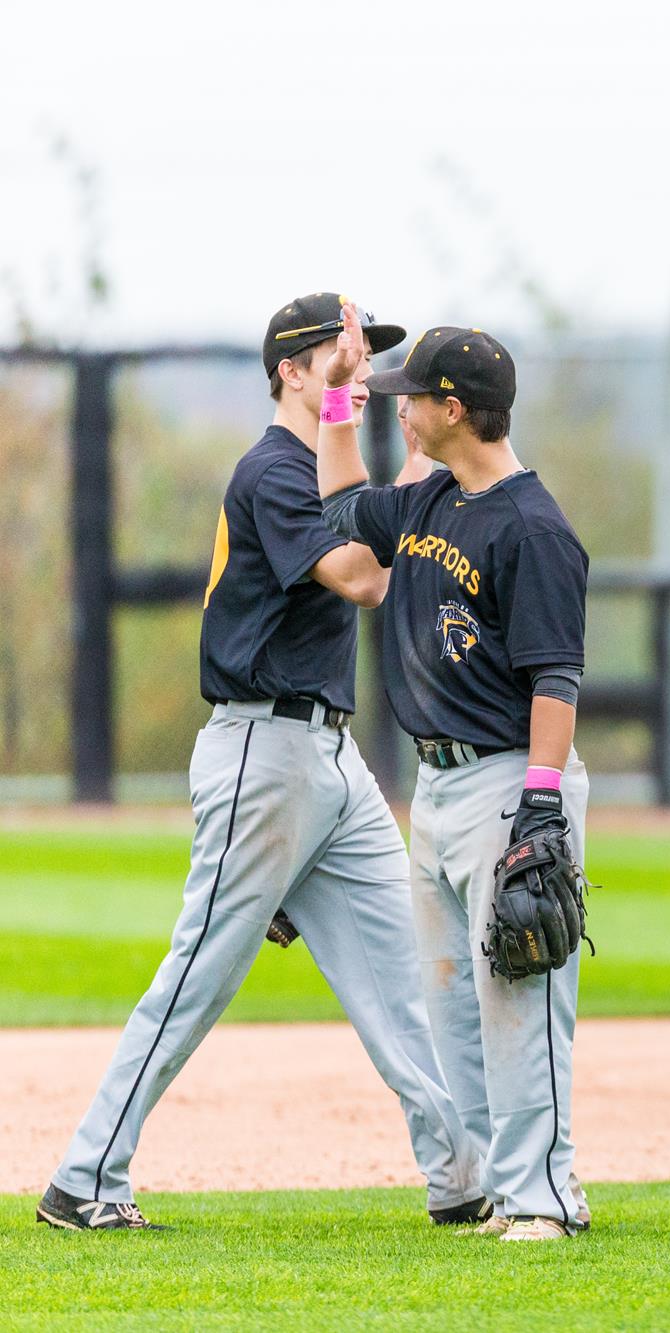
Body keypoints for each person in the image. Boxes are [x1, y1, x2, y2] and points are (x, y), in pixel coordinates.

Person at [37, 293, 483, 1232]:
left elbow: (381, 544)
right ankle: (85, 1177)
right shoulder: (277, 470)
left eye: (367, 354)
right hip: (262, 749)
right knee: (200, 972)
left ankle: (461, 1176)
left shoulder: (324, 461)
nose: (362, 367)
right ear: (292, 367)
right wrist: (341, 421)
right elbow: (364, 578)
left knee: (403, 973)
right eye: (344, 353)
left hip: (328, 755)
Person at [316, 308, 595, 1242]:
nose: (400, 412)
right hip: (435, 790)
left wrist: (543, 807)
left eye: (410, 399)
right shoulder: (435, 500)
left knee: (521, 996)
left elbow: (555, 675)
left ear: (454, 408)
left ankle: (546, 1195)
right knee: (453, 1000)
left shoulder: (534, 528)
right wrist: (340, 394)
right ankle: (502, 1188)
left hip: (512, 779)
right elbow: (341, 505)